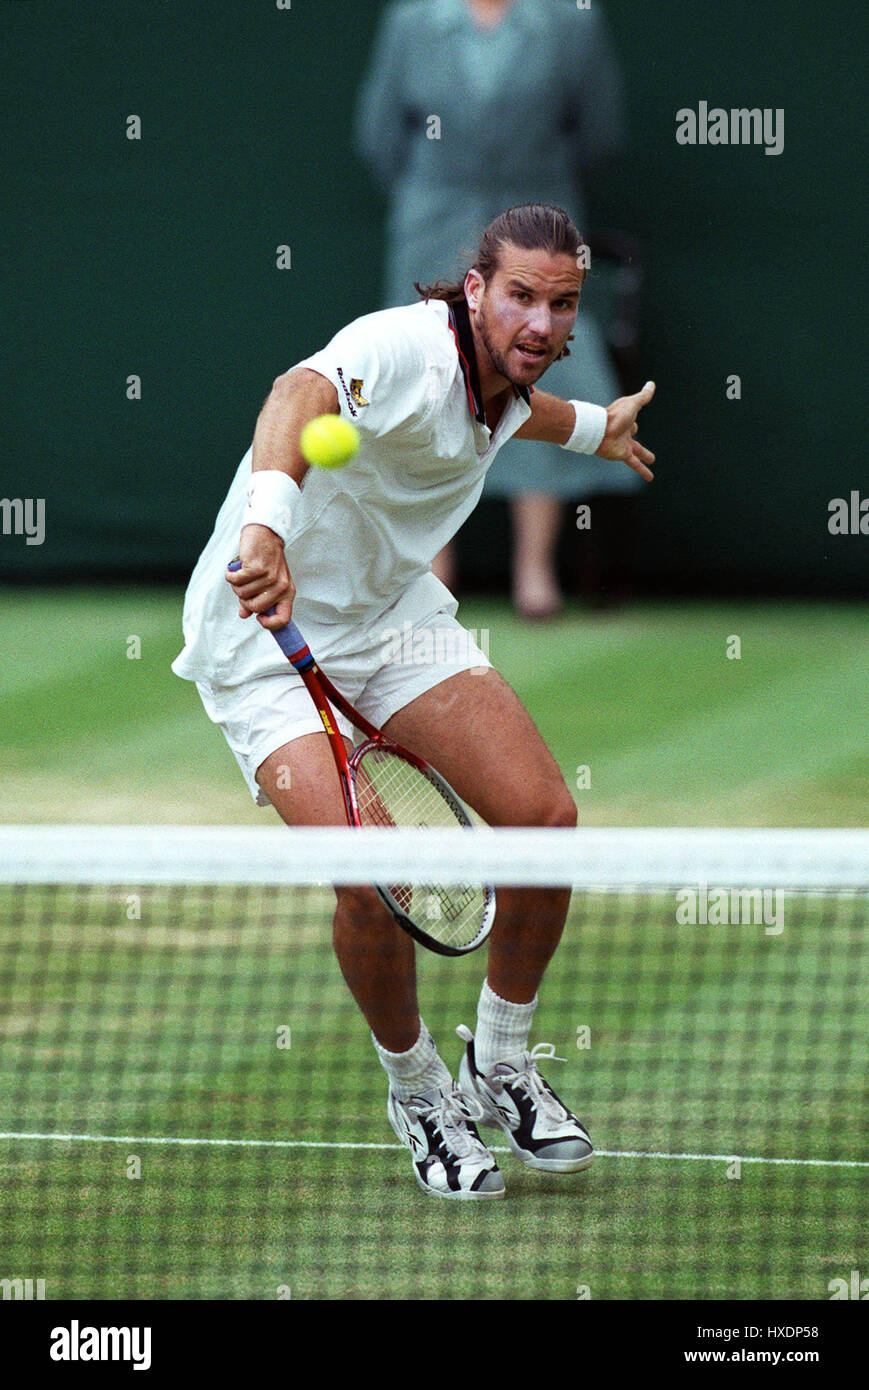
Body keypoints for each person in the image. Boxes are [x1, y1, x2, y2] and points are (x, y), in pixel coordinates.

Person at [172, 204, 656, 1200]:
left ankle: (504, 1059)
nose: (538, 322)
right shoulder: (401, 351)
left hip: (390, 620)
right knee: (369, 877)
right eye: (518, 295)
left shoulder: (509, 386)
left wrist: (602, 430)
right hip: (267, 636)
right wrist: (264, 530)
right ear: (475, 290)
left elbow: (539, 414)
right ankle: (418, 1087)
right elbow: (294, 393)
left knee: (541, 820)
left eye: (560, 304)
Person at [355, 0, 638, 618]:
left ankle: (533, 572)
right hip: (434, 218)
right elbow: (379, 135)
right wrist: (441, 191)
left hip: (540, 211)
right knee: (428, 374)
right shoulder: (411, 21)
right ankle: (432, 575)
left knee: (542, 359)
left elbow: (597, 133)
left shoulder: (571, 22)